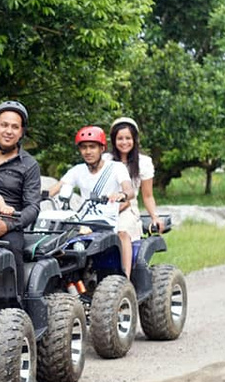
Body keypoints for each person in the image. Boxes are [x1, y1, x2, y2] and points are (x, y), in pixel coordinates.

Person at [50, 125, 135, 274]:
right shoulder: (77, 170)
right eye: (83, 147)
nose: (88, 152)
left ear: (102, 148)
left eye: (92, 147)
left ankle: (123, 280)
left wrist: (122, 195)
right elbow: (55, 189)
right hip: (82, 222)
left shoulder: (116, 168)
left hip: (105, 223)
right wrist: (36, 197)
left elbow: (129, 190)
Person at [0, 100, 42, 285]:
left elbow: (32, 207)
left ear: (21, 131)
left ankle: (17, 306)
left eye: (15, 127)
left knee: (12, 250)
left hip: (10, 227)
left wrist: (7, 225)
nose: (9, 131)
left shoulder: (29, 165)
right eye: (4, 125)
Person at [108, 117, 166, 265]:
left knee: (122, 231)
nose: (124, 142)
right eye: (120, 138)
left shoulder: (143, 162)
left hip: (128, 210)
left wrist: (155, 217)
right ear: (114, 140)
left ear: (135, 139)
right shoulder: (105, 160)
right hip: (105, 208)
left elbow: (147, 196)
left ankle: (124, 280)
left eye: (128, 138)